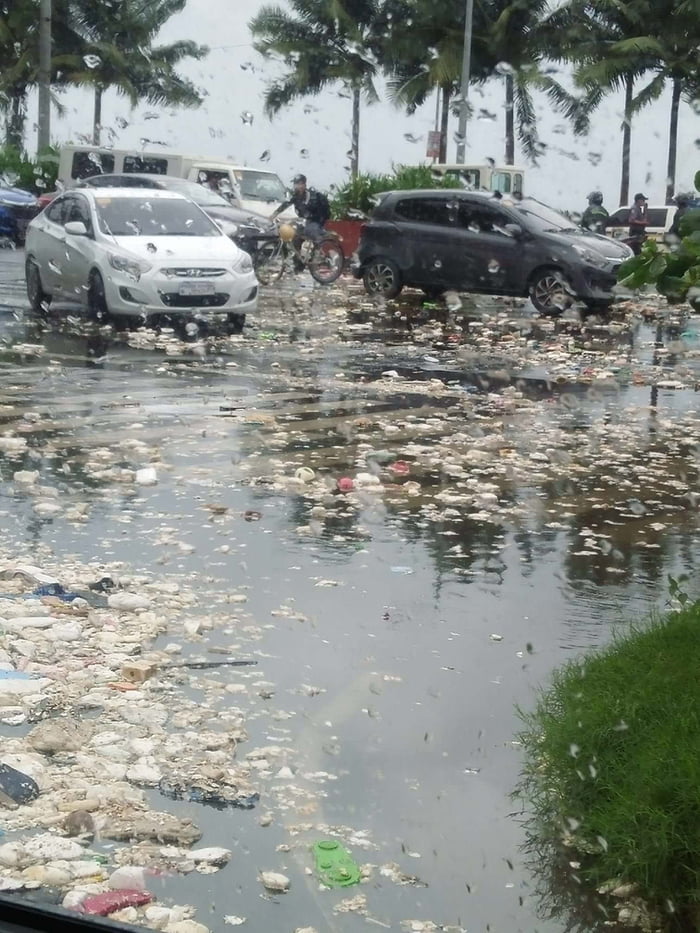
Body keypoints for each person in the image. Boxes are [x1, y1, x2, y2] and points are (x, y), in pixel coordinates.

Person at [272, 174, 330, 242]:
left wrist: (306, 218)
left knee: (310, 232)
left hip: (315, 221)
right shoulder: (295, 197)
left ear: (304, 185)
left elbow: (310, 211)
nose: (299, 186)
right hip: (305, 221)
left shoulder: (311, 196)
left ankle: (325, 249)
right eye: (296, 184)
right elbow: (286, 204)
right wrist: (275, 214)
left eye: (301, 184)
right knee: (293, 232)